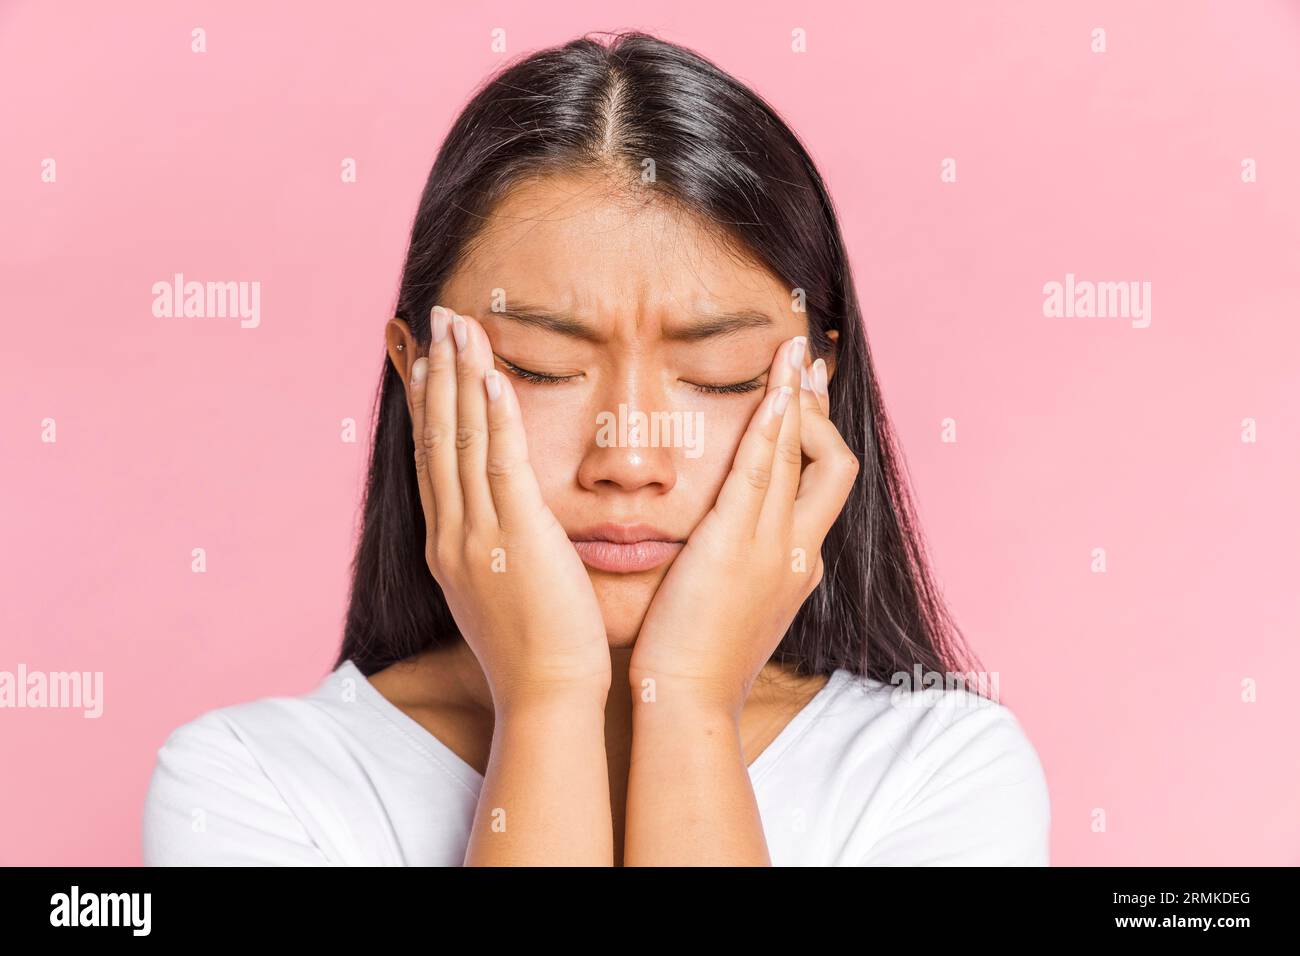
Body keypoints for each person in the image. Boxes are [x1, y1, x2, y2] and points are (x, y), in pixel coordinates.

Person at [142, 30, 1050, 866]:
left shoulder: (939, 773)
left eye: (721, 375)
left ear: (817, 388)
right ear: (418, 376)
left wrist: (687, 698)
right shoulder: (250, 784)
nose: (627, 458)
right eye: (540, 368)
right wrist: (547, 699)